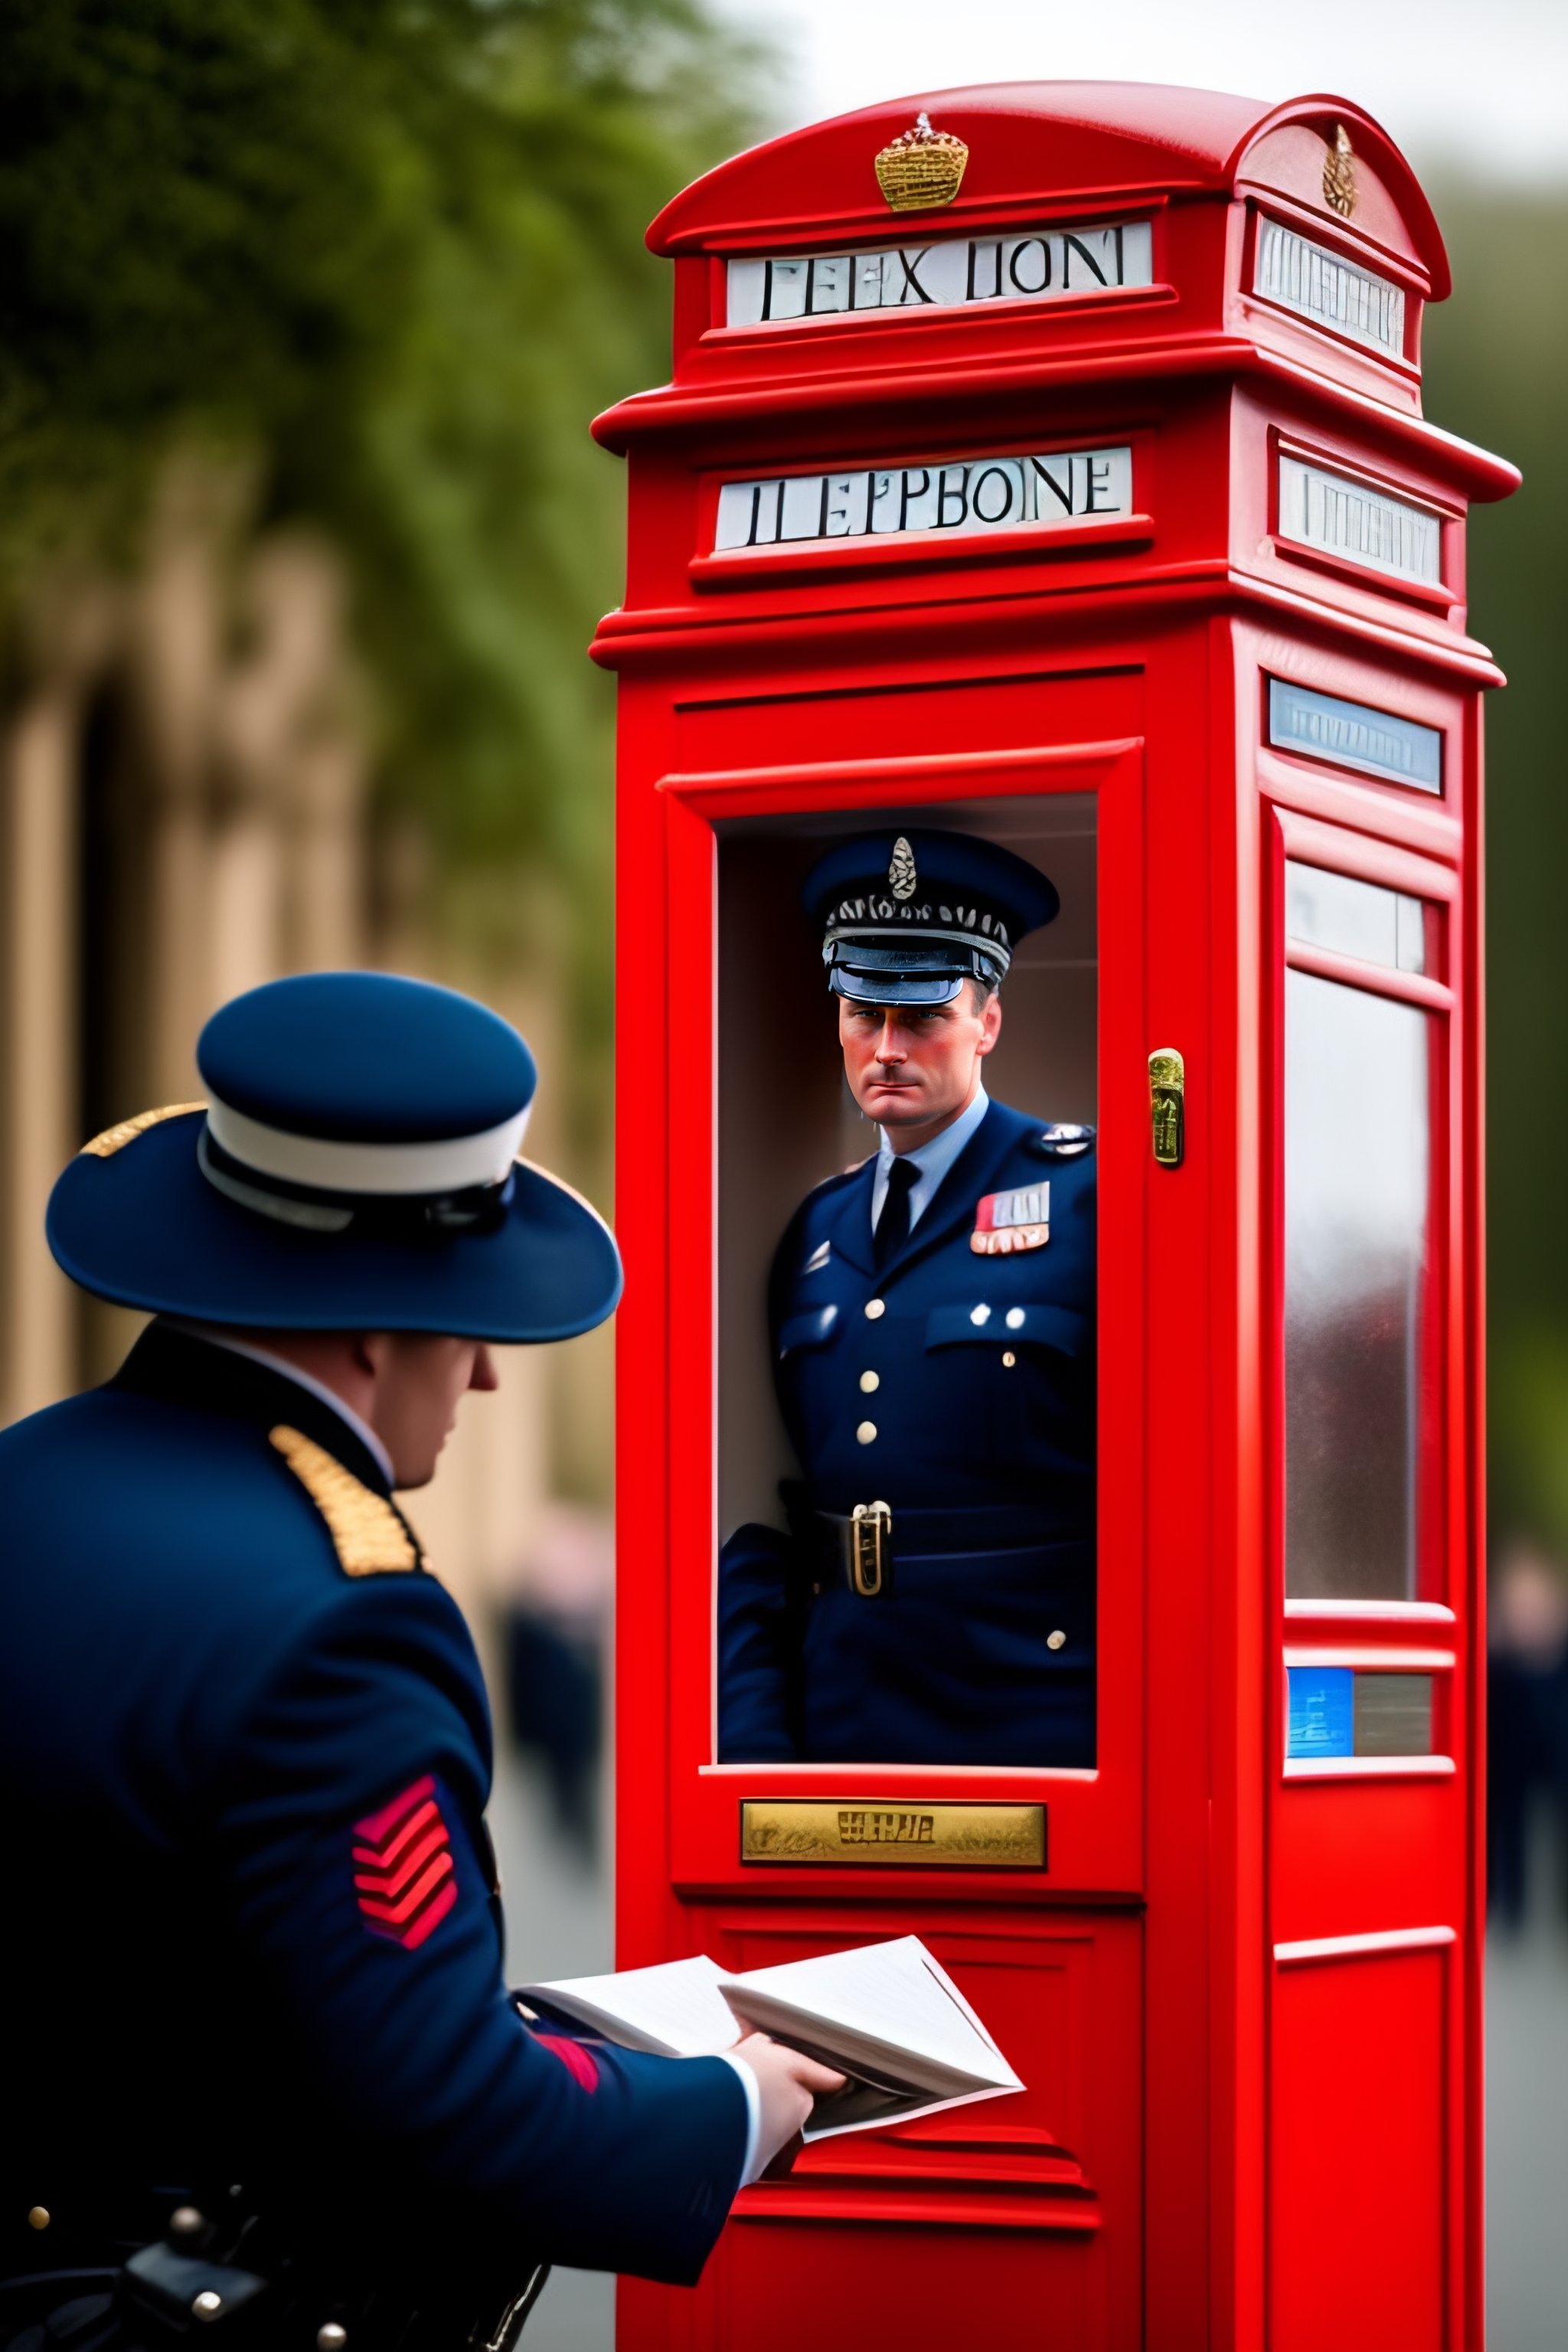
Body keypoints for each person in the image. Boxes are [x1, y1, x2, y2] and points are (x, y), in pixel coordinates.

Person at [0, 972, 838, 2350]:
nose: (489, 1378)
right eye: (475, 1327)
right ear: (378, 1331)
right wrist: (737, 2101)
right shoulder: (342, 1618)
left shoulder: (28, 1477)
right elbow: (442, 2107)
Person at [719, 828, 1096, 1768]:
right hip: (845, 1722)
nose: (885, 1048)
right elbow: (776, 1499)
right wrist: (755, 1726)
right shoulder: (813, 1230)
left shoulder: (1090, 1198)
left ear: (987, 1023)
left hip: (1037, 1721)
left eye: (921, 1014)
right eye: (861, 1014)